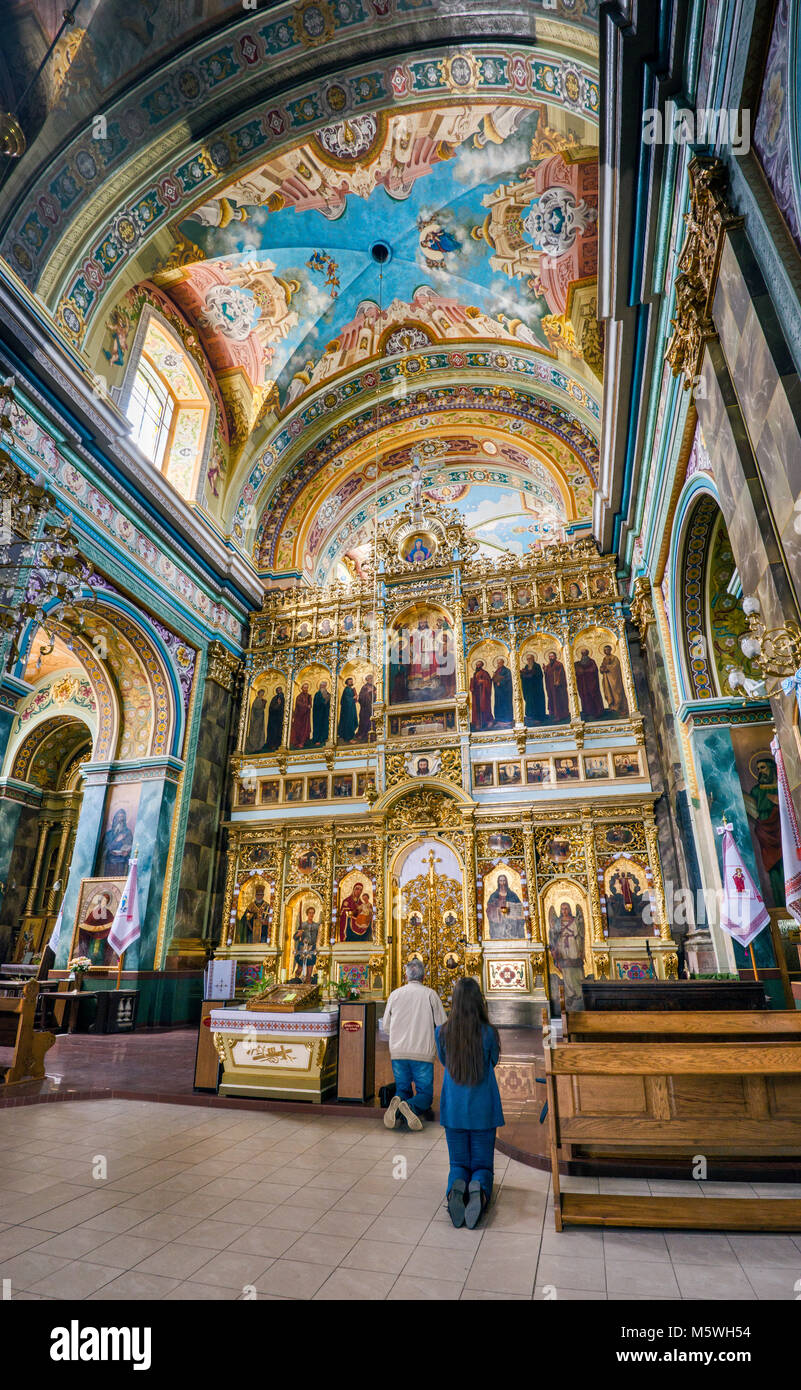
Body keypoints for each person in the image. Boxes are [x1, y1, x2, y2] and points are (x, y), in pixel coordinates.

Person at [436, 977, 504, 1228]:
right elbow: (494, 1060)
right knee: (482, 1164)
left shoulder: (442, 1032)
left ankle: (456, 1188)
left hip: (454, 1108)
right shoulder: (488, 1033)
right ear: (479, 1002)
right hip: (483, 1108)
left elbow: (444, 1061)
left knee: (458, 1163)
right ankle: (480, 1189)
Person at [381, 960, 446, 1132]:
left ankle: (398, 1101)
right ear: (424, 976)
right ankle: (410, 1107)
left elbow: (386, 1026)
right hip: (422, 1053)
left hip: (398, 1052)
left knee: (402, 1087)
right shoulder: (430, 995)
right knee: (424, 1093)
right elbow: (442, 1025)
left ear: (406, 976)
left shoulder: (395, 994)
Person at [575, 647, 604, 720]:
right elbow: (577, 672)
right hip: (583, 683)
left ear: (587, 653)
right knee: (584, 696)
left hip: (591, 682)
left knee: (593, 695)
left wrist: (584, 671)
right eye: (582, 653)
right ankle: (588, 711)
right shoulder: (579, 663)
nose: (583, 654)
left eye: (584, 653)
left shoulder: (591, 662)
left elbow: (593, 670)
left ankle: (597, 712)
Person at [520, 654, 545, 724]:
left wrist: (531, 674)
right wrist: (522, 674)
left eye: (530, 659)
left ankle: (538, 718)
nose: (529, 660)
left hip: (536, 690)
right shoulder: (526, 667)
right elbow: (524, 677)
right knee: (529, 702)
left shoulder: (537, 666)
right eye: (527, 659)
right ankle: (530, 716)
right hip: (529, 689)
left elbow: (539, 675)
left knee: (537, 703)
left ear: (533, 659)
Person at [470, 660, 493, 730]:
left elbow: (489, 681)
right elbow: (473, 682)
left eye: (479, 665)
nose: (477, 666)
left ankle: (486, 722)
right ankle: (478, 723)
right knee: (477, 709)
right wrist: (472, 686)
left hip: (483, 694)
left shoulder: (485, 673)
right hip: (476, 694)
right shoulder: (475, 674)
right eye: (477, 665)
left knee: (484, 707)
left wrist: (483, 682)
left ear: (481, 665)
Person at [290, 682, 312, 748]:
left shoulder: (309, 696)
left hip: (306, 716)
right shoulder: (299, 697)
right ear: (302, 688)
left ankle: (304, 742)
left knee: (306, 729)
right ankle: (298, 742)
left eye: (307, 688)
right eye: (304, 687)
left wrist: (309, 706)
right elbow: (299, 704)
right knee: (299, 729)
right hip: (299, 716)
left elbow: (310, 705)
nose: (306, 689)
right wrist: (306, 706)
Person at [337, 677, 358, 742]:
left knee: (350, 722)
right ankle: (349, 738)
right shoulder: (346, 689)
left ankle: (348, 737)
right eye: (350, 681)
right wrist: (353, 698)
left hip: (351, 708)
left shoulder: (351, 689)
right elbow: (345, 700)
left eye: (351, 681)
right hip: (347, 710)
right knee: (349, 722)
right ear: (347, 682)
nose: (351, 682)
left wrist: (355, 697)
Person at [311, 680, 331, 745]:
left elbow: (329, 703)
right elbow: (317, 703)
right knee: (318, 726)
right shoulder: (317, 694)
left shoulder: (328, 694)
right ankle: (317, 740)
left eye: (324, 686)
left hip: (325, 713)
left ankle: (324, 738)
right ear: (320, 686)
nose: (323, 687)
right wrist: (323, 702)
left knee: (325, 725)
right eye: (322, 686)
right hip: (318, 714)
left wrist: (328, 699)